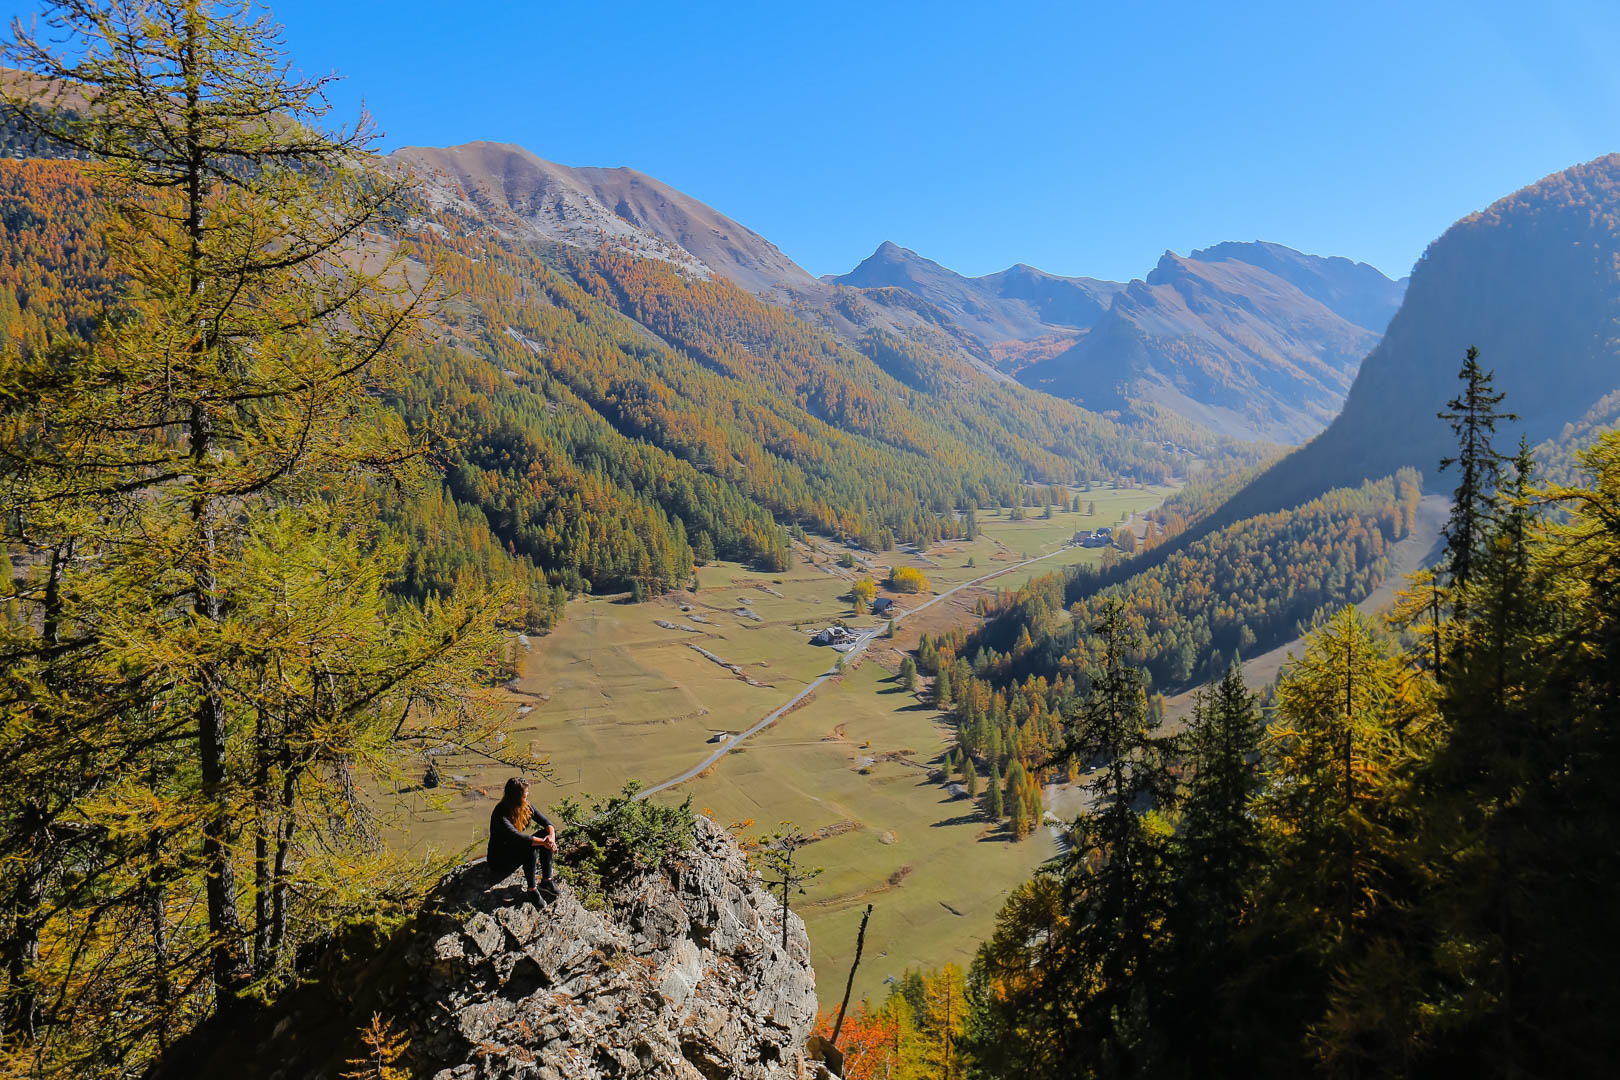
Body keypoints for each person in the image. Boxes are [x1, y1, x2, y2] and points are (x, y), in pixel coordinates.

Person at [487, 776, 558, 904]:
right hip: (500, 859)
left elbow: (547, 823)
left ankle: (547, 881)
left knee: (544, 834)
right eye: (525, 793)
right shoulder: (500, 814)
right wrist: (544, 842)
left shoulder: (525, 806)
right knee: (529, 847)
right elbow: (518, 837)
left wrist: (551, 838)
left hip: (513, 848)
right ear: (516, 796)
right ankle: (532, 890)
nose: (527, 795)